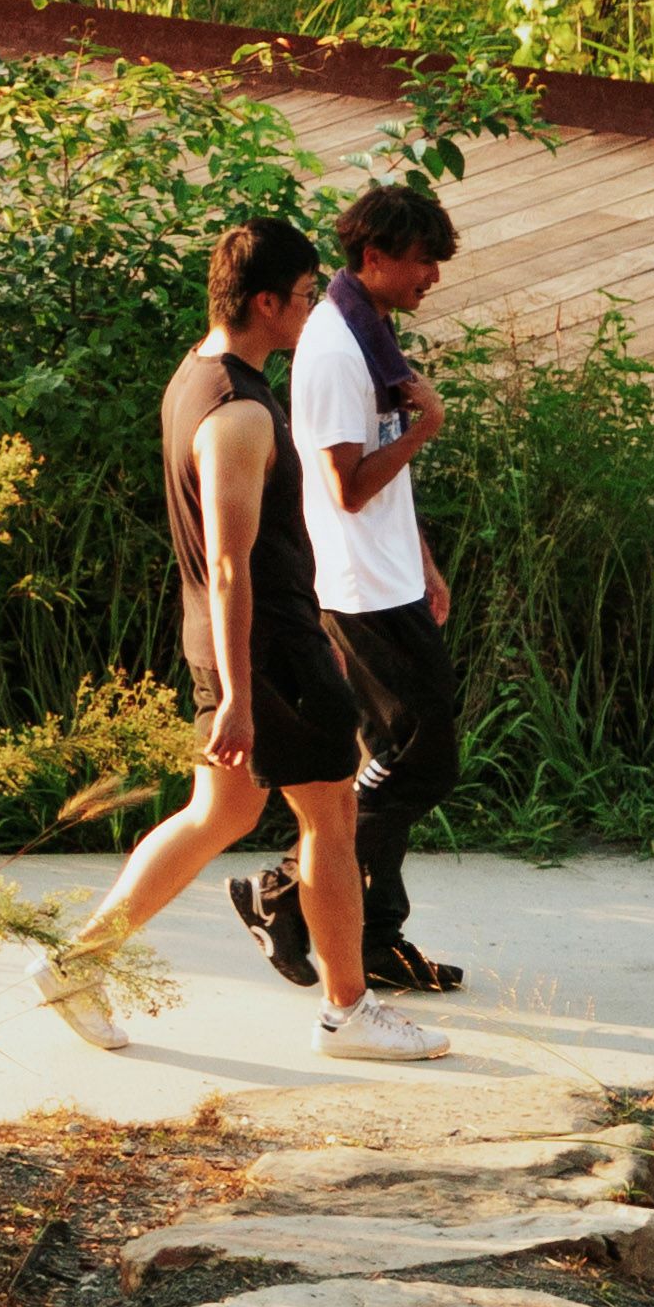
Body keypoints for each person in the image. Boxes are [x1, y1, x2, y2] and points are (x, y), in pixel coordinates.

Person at [46, 218, 444, 1058]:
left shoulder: (194, 377)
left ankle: (76, 963)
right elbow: (231, 565)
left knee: (217, 812)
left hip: (251, 641)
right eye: (302, 298)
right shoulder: (239, 416)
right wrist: (237, 692)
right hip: (264, 650)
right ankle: (347, 1011)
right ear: (264, 302)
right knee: (330, 817)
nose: (309, 312)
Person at [238, 176, 469, 1000]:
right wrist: (426, 428)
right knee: (418, 761)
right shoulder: (336, 348)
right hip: (359, 589)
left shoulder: (366, 329)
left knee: (397, 759)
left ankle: (373, 935)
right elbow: (343, 487)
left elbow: (380, 481)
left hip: (391, 574)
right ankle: (287, 891)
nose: (430, 277)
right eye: (419, 261)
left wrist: (425, 557)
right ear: (372, 258)